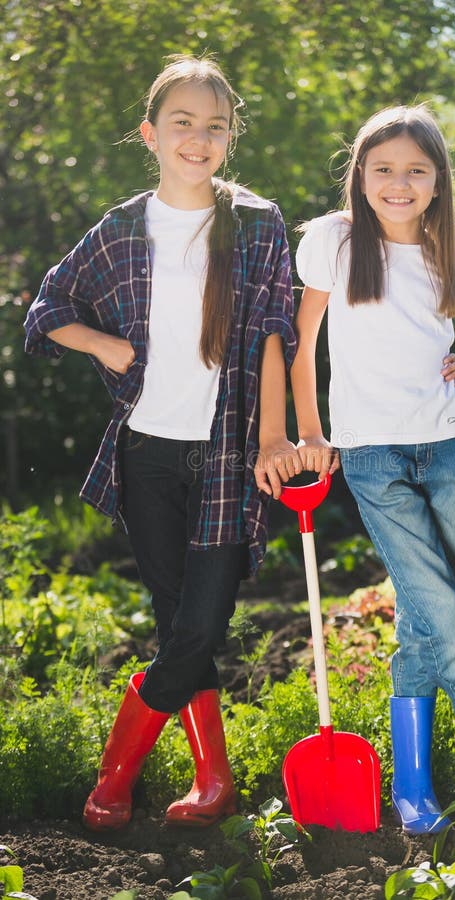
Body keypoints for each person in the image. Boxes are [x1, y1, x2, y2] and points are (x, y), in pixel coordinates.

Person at [24, 55, 302, 831]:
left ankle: (117, 775)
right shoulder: (119, 230)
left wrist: (272, 436)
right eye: (182, 122)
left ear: (229, 138)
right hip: (144, 453)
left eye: (215, 126)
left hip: (222, 456)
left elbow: (277, 334)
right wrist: (104, 348)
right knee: (178, 617)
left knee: (200, 624)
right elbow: (45, 310)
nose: (198, 138)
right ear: (150, 134)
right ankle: (214, 782)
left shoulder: (256, 223)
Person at [290, 104, 455, 834]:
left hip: (449, 447)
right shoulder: (334, 243)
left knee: (425, 615)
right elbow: (300, 341)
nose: (398, 183)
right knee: (445, 611)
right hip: (372, 452)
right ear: (360, 177)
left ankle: (411, 783)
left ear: (438, 182)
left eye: (415, 170)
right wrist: (309, 430)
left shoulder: (454, 253)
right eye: (383, 169)